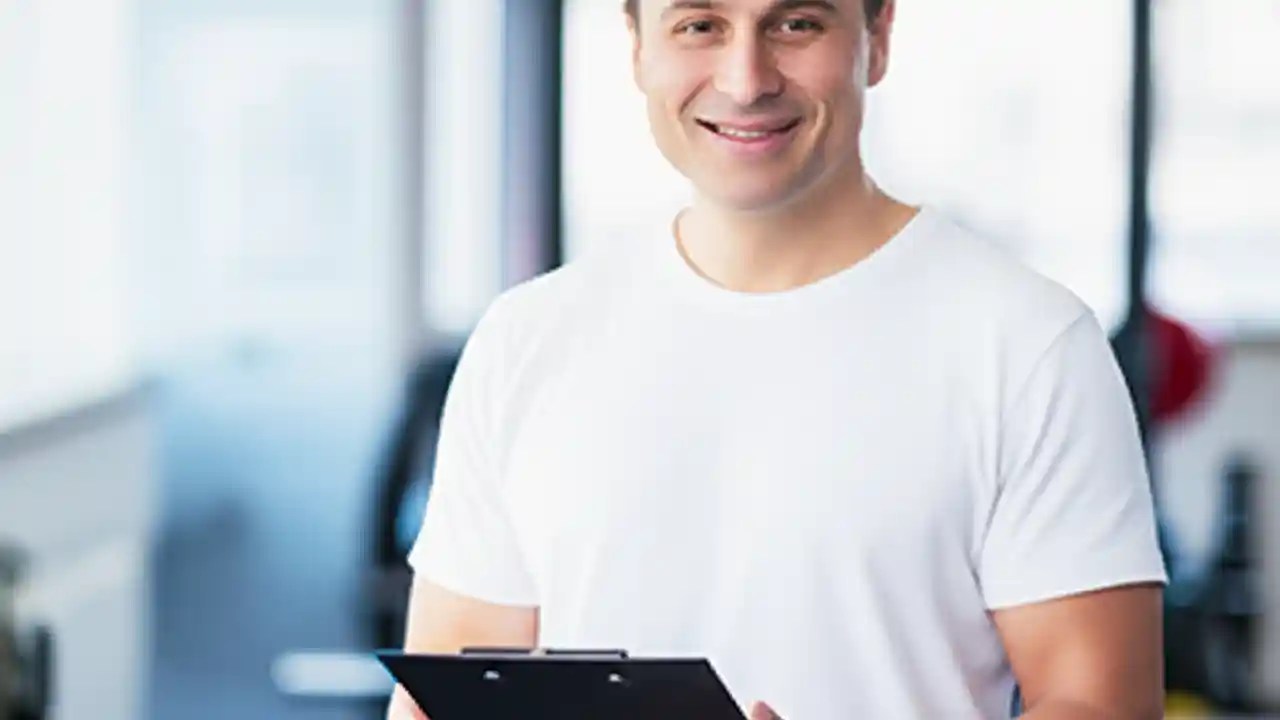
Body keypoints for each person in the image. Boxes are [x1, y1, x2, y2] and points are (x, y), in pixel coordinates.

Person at [387, 0, 1167, 717]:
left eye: (795, 24)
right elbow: (442, 694)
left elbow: (1101, 706)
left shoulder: (1028, 343)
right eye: (700, 26)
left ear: (879, 36)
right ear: (636, 48)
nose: (745, 80)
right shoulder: (526, 338)